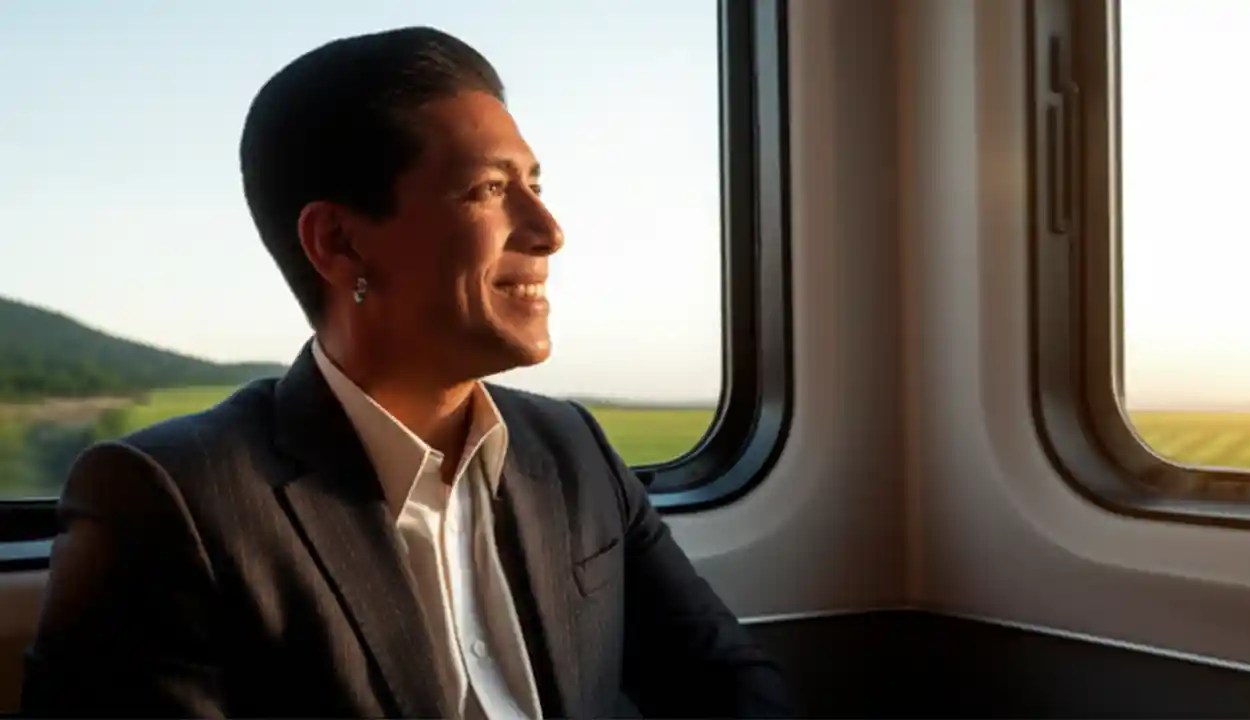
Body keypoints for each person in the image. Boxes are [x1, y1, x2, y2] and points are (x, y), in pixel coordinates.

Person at [20, 26, 795, 719]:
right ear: (340, 244)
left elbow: (723, 683)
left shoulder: (572, 452)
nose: (548, 230)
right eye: (490, 190)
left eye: (537, 184)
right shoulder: (169, 502)